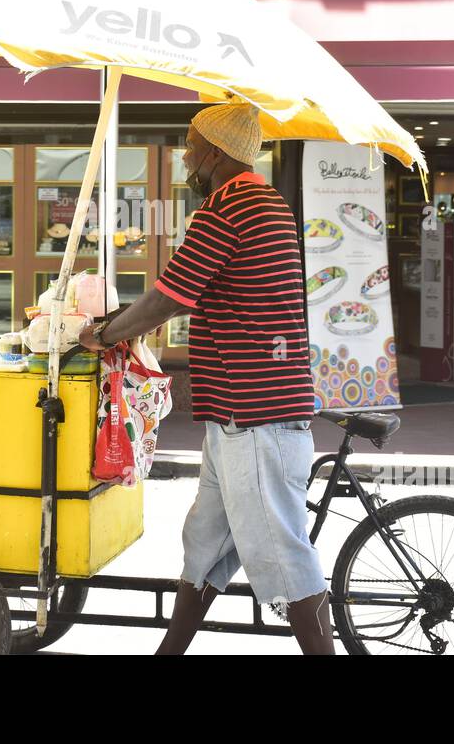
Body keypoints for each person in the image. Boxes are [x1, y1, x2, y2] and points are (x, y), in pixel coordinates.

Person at [79, 103, 333, 655]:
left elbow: (171, 295)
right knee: (205, 544)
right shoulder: (266, 201)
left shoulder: (230, 206)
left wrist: (104, 333)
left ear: (215, 154)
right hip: (238, 414)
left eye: (191, 147)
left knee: (282, 557)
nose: (186, 157)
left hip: (256, 417)